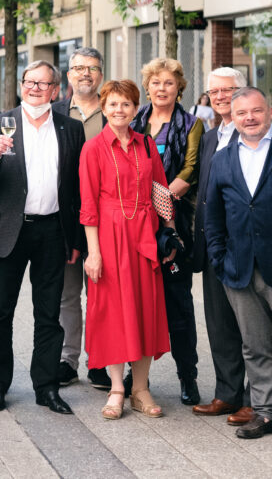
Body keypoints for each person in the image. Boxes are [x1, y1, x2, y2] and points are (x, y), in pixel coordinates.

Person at [0, 61, 85, 414]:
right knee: (0, 312)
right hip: (8, 230)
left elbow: (76, 188)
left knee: (48, 313)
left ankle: (46, 387)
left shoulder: (70, 128)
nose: (35, 88)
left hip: (52, 231)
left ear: (55, 90)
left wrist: (76, 239)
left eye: (43, 83)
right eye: (29, 81)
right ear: (22, 85)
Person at [80, 80, 176, 420]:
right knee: (112, 313)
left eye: (126, 104)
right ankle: (117, 388)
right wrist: (93, 253)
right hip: (109, 239)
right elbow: (88, 206)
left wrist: (170, 234)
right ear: (103, 108)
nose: (119, 110)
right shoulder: (93, 148)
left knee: (145, 309)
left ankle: (141, 388)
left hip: (144, 237)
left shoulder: (146, 145)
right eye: (113, 104)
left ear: (136, 109)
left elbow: (161, 191)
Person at [130, 57, 204, 406]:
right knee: (139, 302)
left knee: (178, 305)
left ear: (179, 88)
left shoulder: (192, 124)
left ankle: (187, 376)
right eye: (156, 82)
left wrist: (159, 198)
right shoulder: (135, 120)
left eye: (169, 83)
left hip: (175, 223)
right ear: (147, 87)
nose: (162, 88)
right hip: (136, 223)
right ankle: (136, 375)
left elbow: (190, 168)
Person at [205, 87, 272, 439]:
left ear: (268, 112)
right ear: (233, 117)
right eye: (242, 112)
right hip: (239, 267)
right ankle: (265, 412)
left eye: (256, 110)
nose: (250, 118)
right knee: (255, 345)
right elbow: (213, 216)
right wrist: (219, 258)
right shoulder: (223, 158)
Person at [192, 68, 254, 426]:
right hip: (215, 246)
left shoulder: (255, 135)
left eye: (226, 90)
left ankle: (255, 398)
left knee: (253, 328)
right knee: (219, 324)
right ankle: (227, 393)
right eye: (213, 91)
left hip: (246, 247)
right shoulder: (210, 137)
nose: (219, 97)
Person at [51, 47, 110, 391]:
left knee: (102, 294)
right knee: (67, 294)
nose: (85, 73)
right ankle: (67, 360)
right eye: (78, 68)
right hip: (65, 218)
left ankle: (100, 361)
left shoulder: (114, 111)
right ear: (68, 74)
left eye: (92, 67)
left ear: (101, 74)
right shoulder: (54, 112)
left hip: (107, 219)